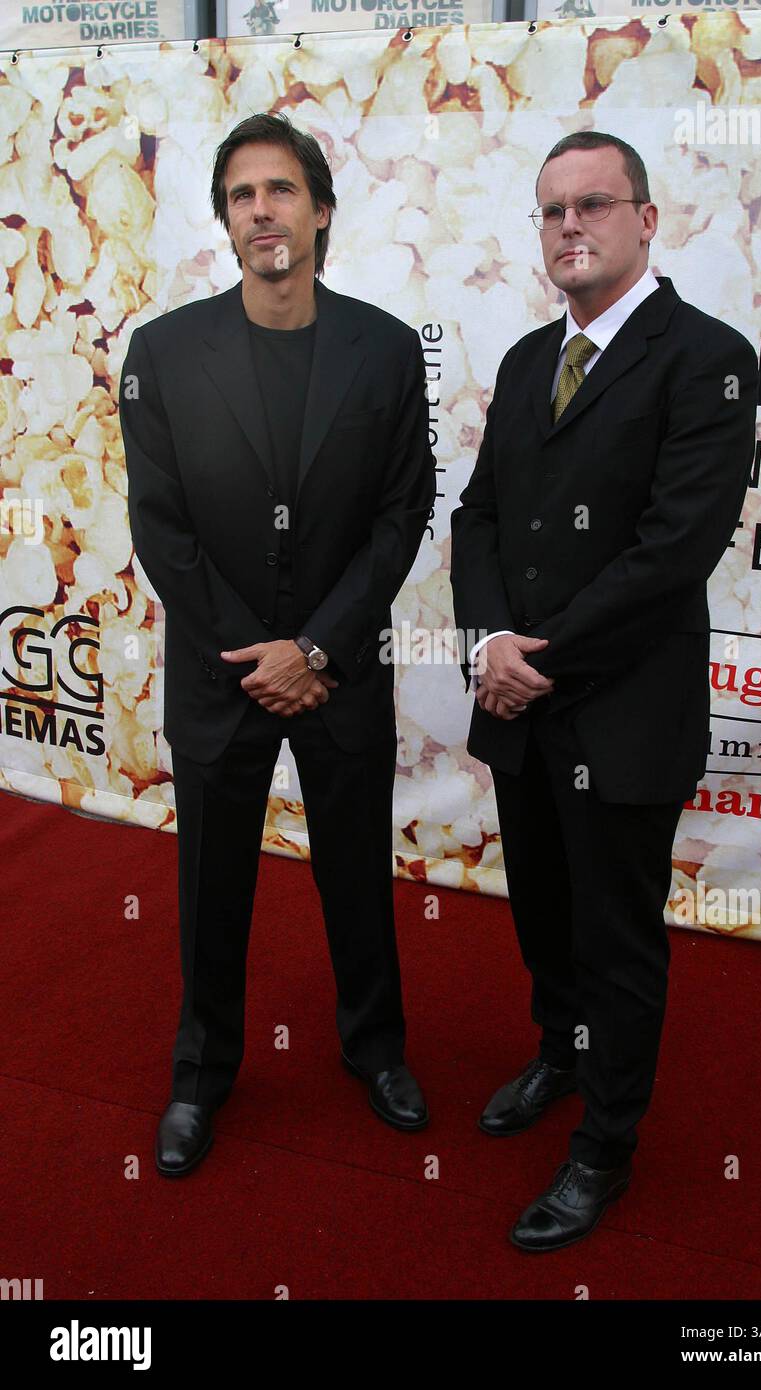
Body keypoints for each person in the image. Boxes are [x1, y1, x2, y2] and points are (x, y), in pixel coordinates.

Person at [450, 131, 758, 1251]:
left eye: (591, 205)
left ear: (644, 218)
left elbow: (674, 548)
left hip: (619, 709)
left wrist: (540, 658)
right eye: (549, 211)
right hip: (517, 700)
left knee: (618, 937)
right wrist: (487, 637)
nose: (568, 227)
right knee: (540, 907)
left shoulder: (708, 357)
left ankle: (603, 1149)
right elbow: (477, 511)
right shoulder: (531, 359)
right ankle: (559, 1057)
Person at [119, 112, 436, 1176]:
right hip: (220, 673)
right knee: (212, 885)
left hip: (340, 670)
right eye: (243, 192)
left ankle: (376, 1049)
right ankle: (200, 1074)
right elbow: (160, 525)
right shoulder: (163, 353)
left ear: (320, 212)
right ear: (226, 218)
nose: (262, 207)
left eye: (282, 189)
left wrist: (320, 648)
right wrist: (259, 653)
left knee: (355, 872)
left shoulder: (386, 351)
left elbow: (403, 512)